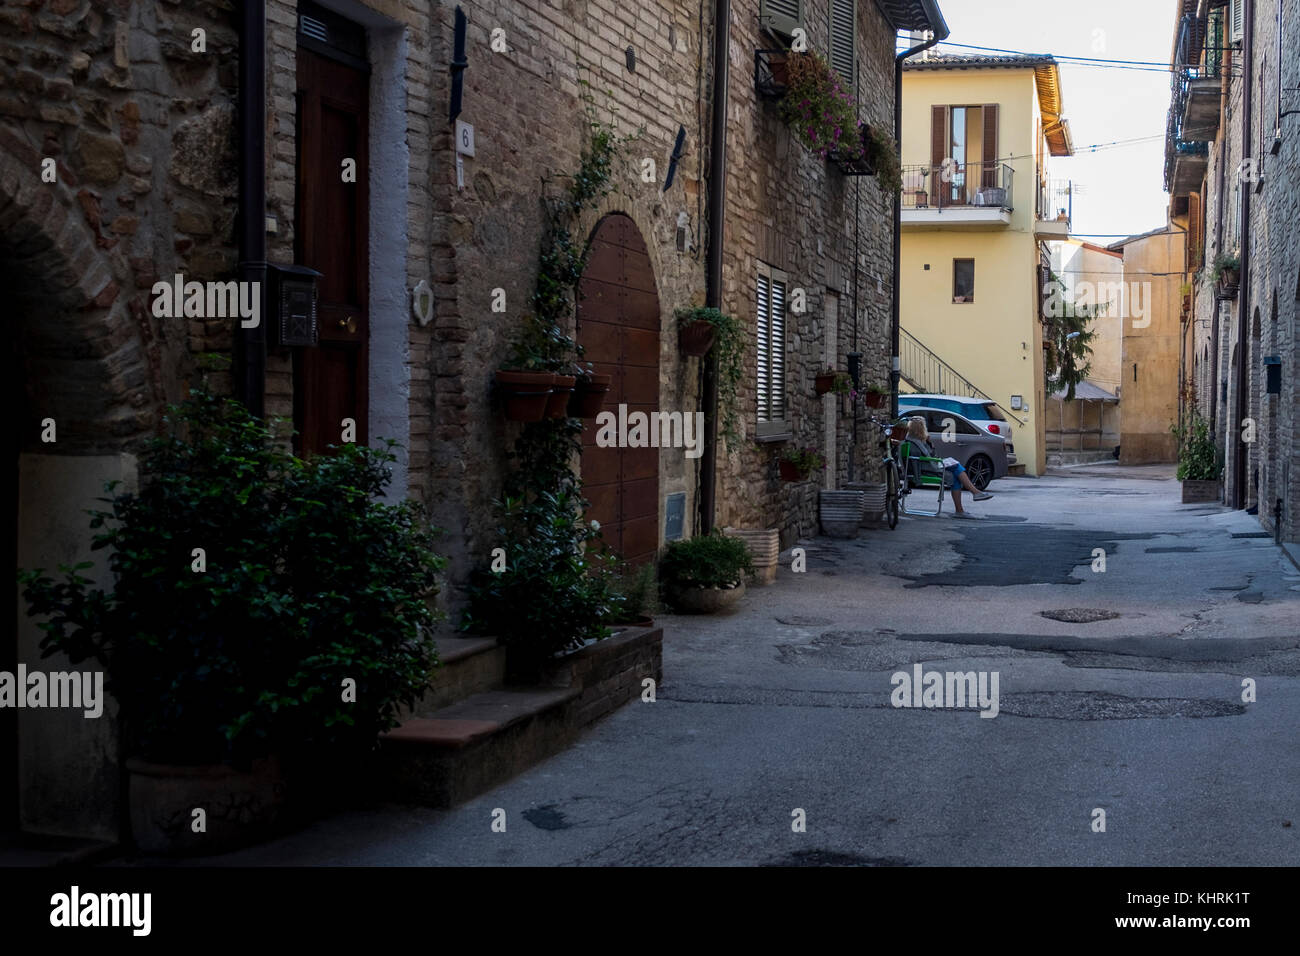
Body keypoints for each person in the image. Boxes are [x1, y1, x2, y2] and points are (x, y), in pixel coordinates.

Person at [903, 416, 993, 518]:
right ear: (920, 428)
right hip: (925, 470)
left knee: (955, 471)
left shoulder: (917, 440)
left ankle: (965, 504)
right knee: (956, 468)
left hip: (928, 466)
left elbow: (930, 456)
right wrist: (936, 460)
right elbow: (922, 460)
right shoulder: (914, 443)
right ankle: (973, 495)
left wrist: (930, 444)